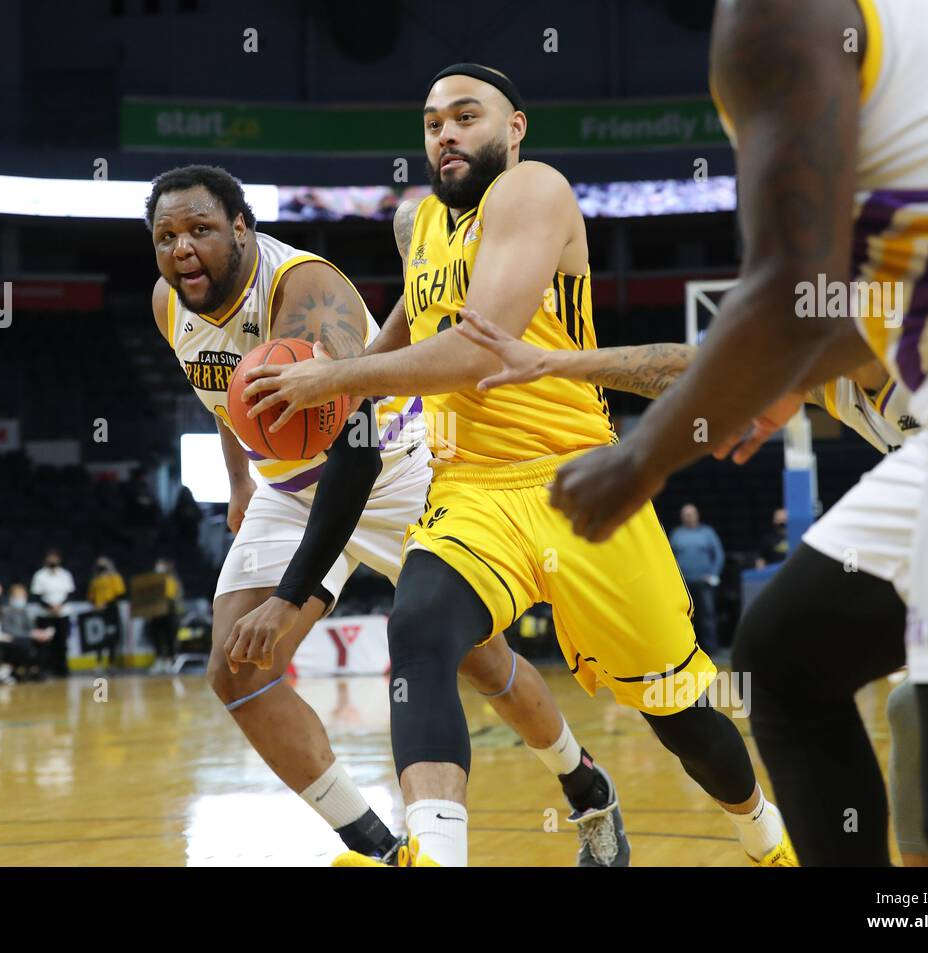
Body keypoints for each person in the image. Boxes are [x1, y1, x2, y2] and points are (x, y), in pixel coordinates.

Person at [540, 0, 928, 865]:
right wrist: (790, 374)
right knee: (786, 658)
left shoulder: (776, 12)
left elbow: (787, 284)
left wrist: (640, 459)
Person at [241, 64, 792, 867]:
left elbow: (473, 348)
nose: (447, 134)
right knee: (421, 631)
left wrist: (334, 377)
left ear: (516, 127)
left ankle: (763, 837)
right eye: (432, 123)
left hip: (578, 481)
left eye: (467, 116)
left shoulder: (533, 190)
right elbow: (420, 311)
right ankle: (434, 852)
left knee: (680, 717)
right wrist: (348, 378)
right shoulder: (417, 222)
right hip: (469, 490)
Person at [147, 162, 632, 866]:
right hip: (287, 490)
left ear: (243, 229)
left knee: (477, 659)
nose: (182, 247)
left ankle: (585, 785)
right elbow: (222, 387)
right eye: (166, 236)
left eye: (201, 229)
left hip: (393, 470)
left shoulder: (305, 292)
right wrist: (240, 482)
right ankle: (378, 848)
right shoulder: (169, 302)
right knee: (235, 668)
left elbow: (356, 455)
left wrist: (292, 598)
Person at [454, 297, 928, 864]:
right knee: (895, 703)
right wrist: (555, 364)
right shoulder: (845, 379)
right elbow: (700, 369)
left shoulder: (924, 339)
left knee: (803, 664)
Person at [668, 505, 724, 656]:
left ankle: (712, 650)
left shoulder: (707, 533)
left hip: (704, 582)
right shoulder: (676, 534)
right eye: (685, 514)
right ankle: (685, 652)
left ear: (697, 515)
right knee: (684, 618)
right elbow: (669, 557)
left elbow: (718, 555)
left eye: (691, 514)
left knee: (708, 616)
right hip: (683, 584)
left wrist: (713, 574)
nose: (688, 516)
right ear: (681, 517)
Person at [31, 548, 74, 677]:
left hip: (62, 614)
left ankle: (62, 670)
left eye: (55, 557)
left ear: (59, 559)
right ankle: (44, 669)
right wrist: (49, 607)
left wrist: (60, 606)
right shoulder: (39, 575)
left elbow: (70, 593)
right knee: (45, 644)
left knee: (62, 643)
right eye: (50, 557)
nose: (52, 560)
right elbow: (36, 595)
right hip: (45, 615)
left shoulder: (65, 575)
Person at [0, 583, 51, 682]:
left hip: (27, 637)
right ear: (11, 597)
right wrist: (30, 634)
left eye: (22, 596)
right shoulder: (5, 611)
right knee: (25, 644)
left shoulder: (26, 610)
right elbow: (9, 630)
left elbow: (31, 627)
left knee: (44, 641)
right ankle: (20, 671)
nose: (20, 599)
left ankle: (37, 670)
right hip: (13, 639)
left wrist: (38, 633)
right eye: (17, 596)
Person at [145, 558, 182, 674]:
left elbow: (174, 596)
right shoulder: (152, 581)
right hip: (156, 613)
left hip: (169, 612)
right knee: (156, 637)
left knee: (169, 637)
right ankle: (159, 660)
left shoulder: (171, 580)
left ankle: (170, 661)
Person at [87, 556, 126, 668]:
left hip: (111, 610)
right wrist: (96, 605)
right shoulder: (95, 580)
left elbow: (120, 593)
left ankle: (111, 662)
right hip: (98, 611)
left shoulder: (115, 578)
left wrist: (106, 604)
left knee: (111, 636)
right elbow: (91, 596)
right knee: (98, 638)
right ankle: (99, 662)